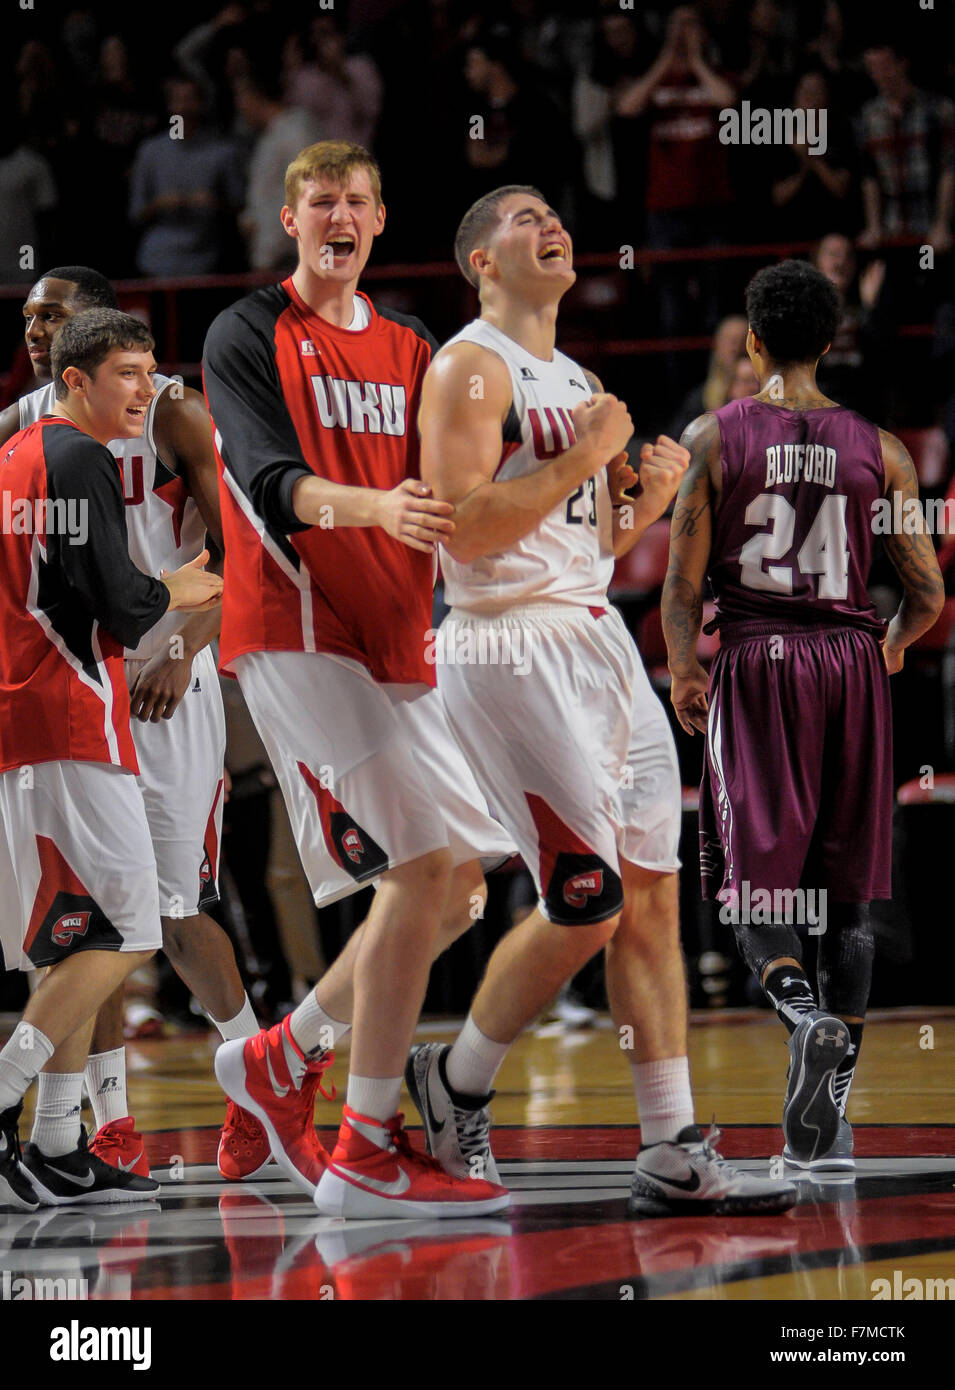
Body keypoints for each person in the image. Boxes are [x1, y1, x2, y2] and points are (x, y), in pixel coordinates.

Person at [409, 183, 796, 1218]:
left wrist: (642, 505)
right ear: (479, 260)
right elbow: (465, 531)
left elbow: (578, 543)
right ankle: (452, 1085)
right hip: (507, 648)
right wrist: (587, 457)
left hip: (591, 633)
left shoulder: (573, 373)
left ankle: (670, 1142)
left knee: (652, 897)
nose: (550, 226)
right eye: (521, 217)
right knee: (587, 899)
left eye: (555, 215)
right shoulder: (467, 367)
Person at [205, 140, 513, 1220]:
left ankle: (286, 1052)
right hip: (297, 630)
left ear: (379, 221)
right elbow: (264, 480)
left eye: (356, 201)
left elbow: (466, 483)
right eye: (319, 201)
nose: (338, 215)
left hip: (399, 637)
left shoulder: (416, 344)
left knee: (465, 881)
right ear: (290, 220)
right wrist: (377, 505)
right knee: (421, 869)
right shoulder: (246, 332)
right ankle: (364, 1148)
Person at [661, 259, 945, 1172]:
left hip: (757, 660)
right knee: (848, 891)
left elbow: (675, 584)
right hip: (852, 664)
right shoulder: (883, 447)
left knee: (757, 882)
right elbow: (927, 593)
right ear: (829, 342)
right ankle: (823, 1127)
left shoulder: (713, 435)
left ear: (752, 344)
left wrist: (681, 671)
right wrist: (890, 647)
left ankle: (802, 1013)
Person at [0, 266, 267, 1183]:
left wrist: (186, 647)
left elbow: (239, 557)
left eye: (57, 318)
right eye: (33, 321)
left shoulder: (170, 413)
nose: (39, 333)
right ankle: (94, 1126)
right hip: (87, 674)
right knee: (97, 925)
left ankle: (255, 1079)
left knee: (171, 912)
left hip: (164, 677)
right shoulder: (28, 427)